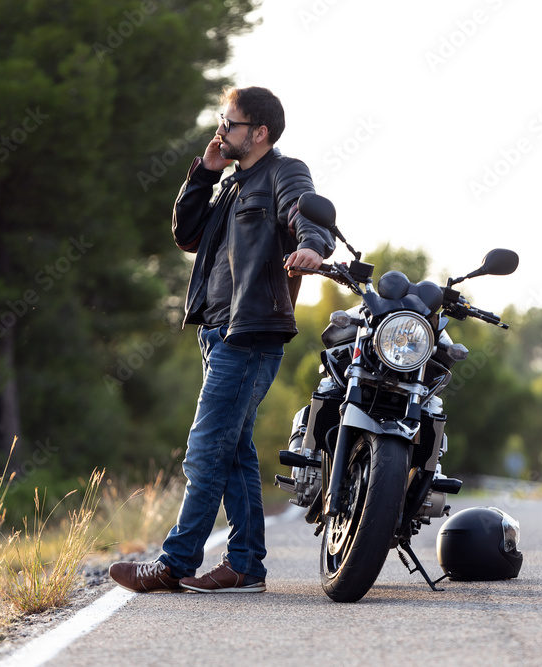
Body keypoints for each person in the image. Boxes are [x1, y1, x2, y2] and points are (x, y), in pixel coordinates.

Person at [109, 86, 335, 594]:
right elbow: (185, 234)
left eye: (228, 122)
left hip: (251, 332)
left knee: (205, 448)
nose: (219, 130)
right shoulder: (231, 185)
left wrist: (312, 249)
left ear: (259, 132)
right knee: (233, 452)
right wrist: (204, 174)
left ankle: (174, 563)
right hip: (217, 333)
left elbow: (307, 212)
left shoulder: (283, 172)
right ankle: (246, 566)